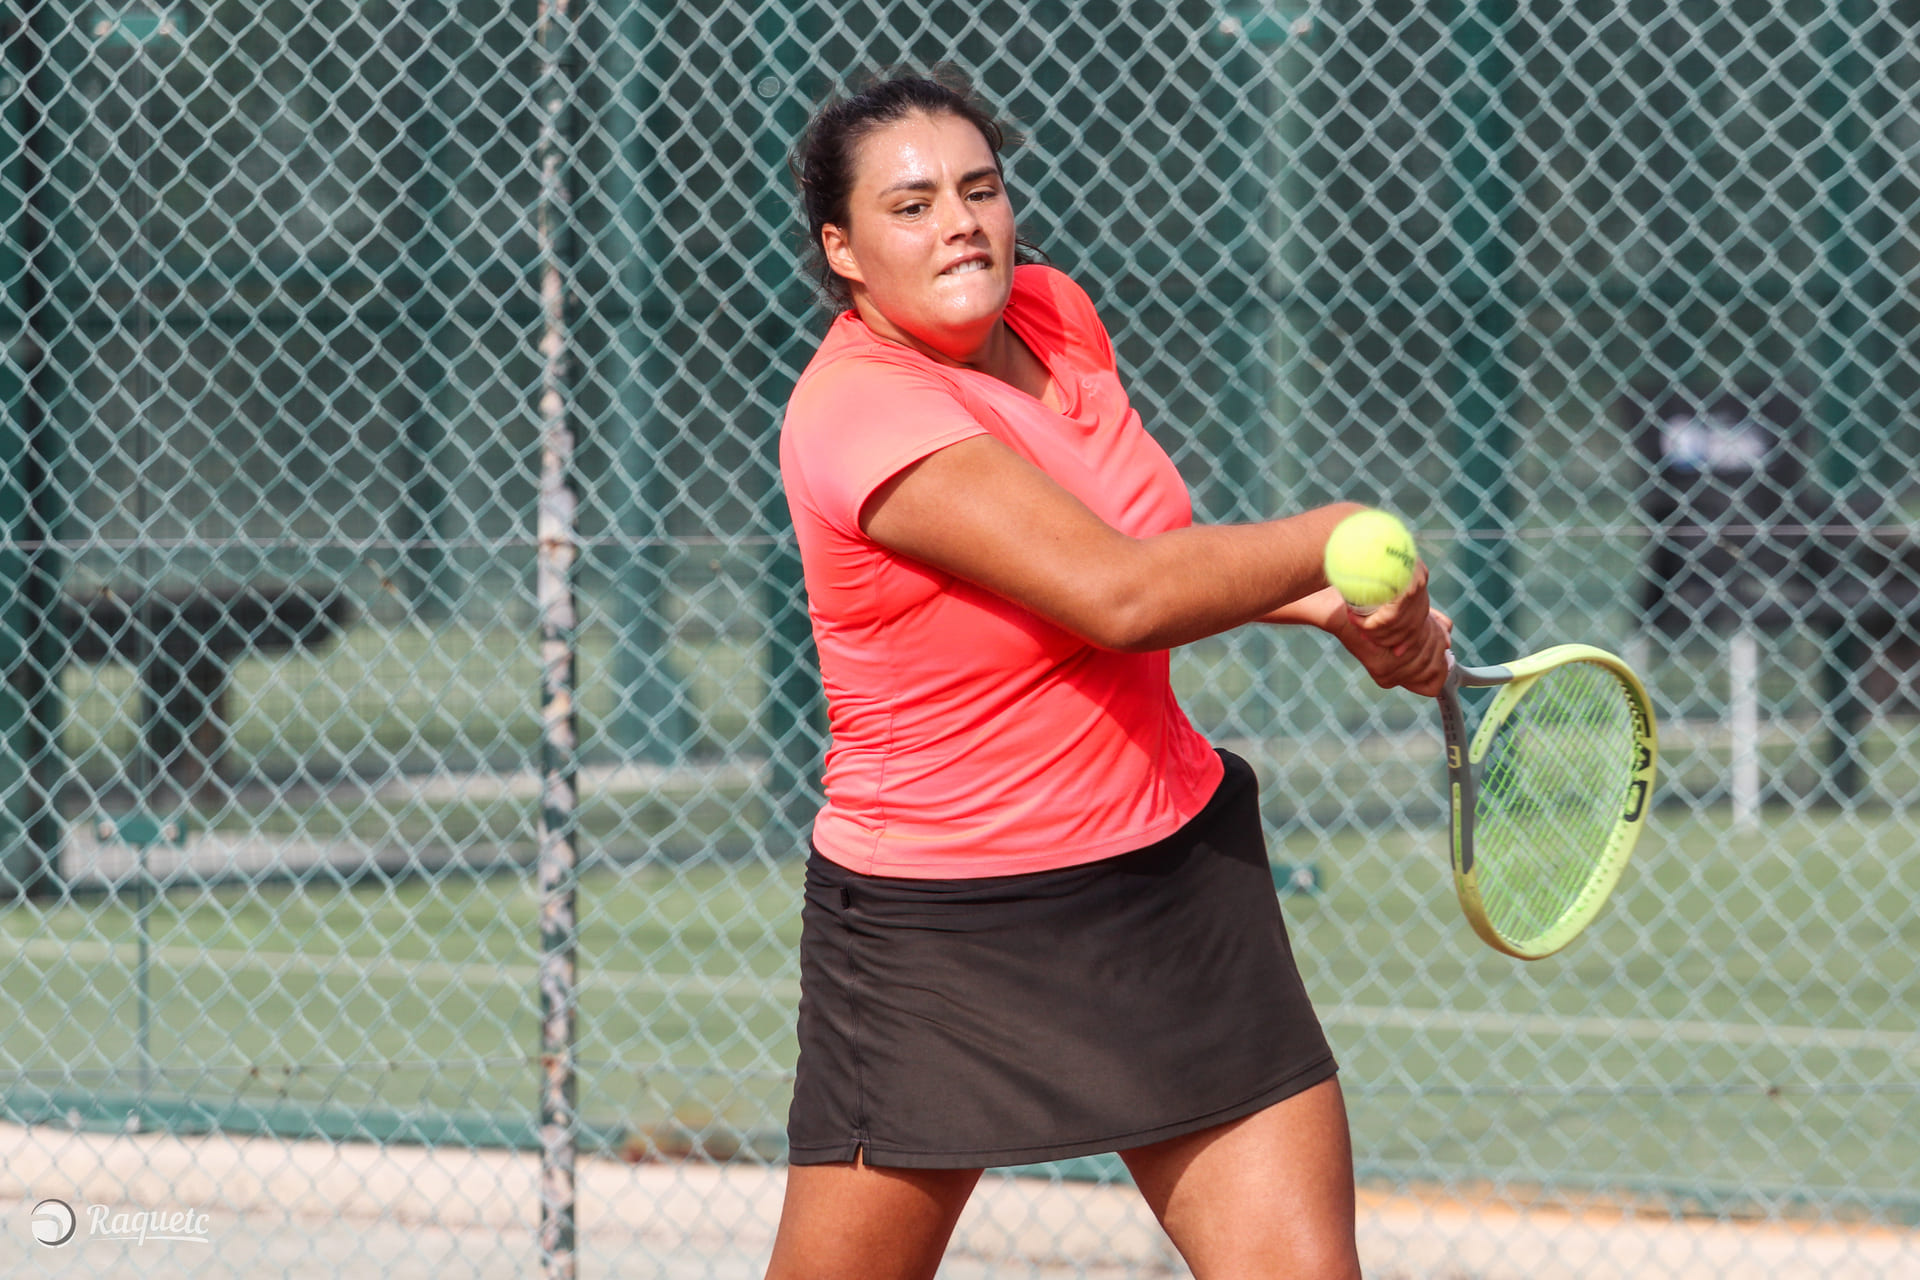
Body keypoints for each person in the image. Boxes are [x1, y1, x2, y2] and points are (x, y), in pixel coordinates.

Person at [768, 68, 1451, 1280]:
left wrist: (1328, 604)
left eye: (979, 188)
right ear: (846, 249)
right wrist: (1330, 528)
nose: (961, 222)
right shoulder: (857, 411)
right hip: (946, 928)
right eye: (913, 205)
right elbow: (1122, 596)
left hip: (1172, 879)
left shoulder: (1053, 312)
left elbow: (1141, 548)